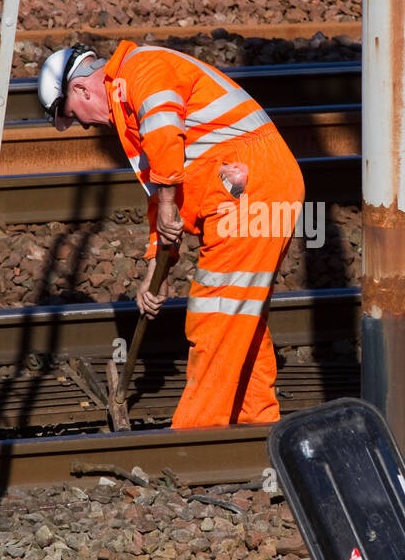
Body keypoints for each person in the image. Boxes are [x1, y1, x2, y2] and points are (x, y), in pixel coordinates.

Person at [37, 41, 304, 430]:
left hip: (248, 185)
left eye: (76, 116)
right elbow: (163, 191)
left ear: (80, 90)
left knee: (216, 313)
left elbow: (165, 157)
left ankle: (196, 434)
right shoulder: (130, 112)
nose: (86, 125)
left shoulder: (140, 69)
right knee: (240, 313)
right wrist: (154, 272)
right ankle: (253, 423)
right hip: (246, 185)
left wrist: (165, 203)